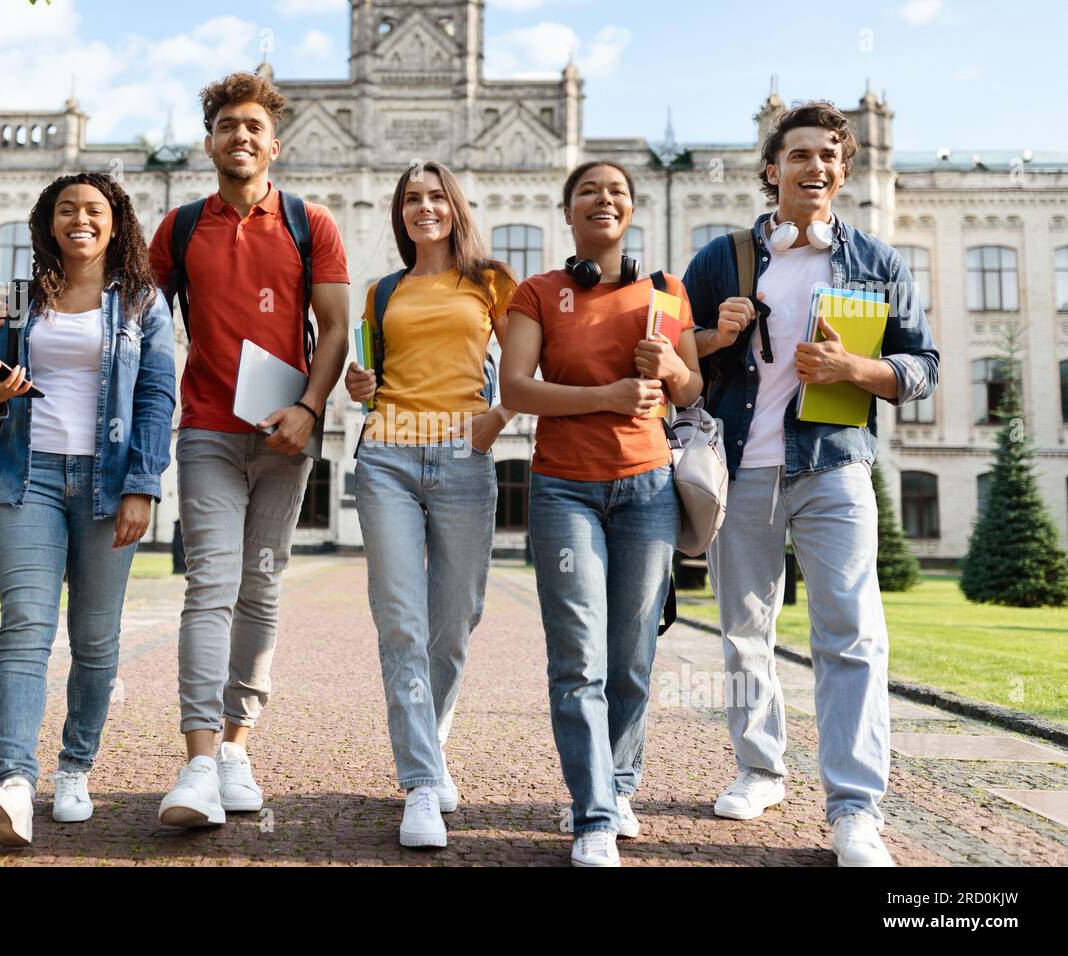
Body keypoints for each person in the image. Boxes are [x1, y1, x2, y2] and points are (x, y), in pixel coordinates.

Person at [681, 102, 939, 867]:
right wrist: (711, 336)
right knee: (743, 635)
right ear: (773, 170)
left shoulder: (877, 262)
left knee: (853, 637)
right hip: (742, 467)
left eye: (831, 156)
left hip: (835, 466)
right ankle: (760, 770)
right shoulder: (719, 259)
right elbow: (673, 369)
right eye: (800, 155)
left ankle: (856, 809)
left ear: (843, 172)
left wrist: (855, 370)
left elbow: (922, 366)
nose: (816, 168)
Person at [148, 73, 349, 827]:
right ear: (210, 141)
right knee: (211, 585)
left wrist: (308, 407)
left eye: (254, 127)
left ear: (274, 142)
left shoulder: (309, 223)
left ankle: (236, 746)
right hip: (206, 429)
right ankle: (198, 761)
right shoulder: (176, 227)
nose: (241, 136)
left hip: (286, 434)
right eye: (228, 125)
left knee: (262, 588)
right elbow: (135, 319)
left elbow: (334, 330)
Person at [499, 161, 701, 867]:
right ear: (568, 211)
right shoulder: (537, 292)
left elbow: (692, 386)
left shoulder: (667, 293)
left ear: (632, 210)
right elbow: (517, 389)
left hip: (648, 490)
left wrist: (671, 370)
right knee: (578, 658)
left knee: (634, 656)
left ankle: (618, 787)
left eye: (616, 191)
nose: (604, 199)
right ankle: (591, 815)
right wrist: (607, 397)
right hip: (564, 491)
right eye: (588, 190)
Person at [0, 172, 177, 847]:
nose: (79, 220)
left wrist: (143, 485)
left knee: (95, 640)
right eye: (66, 210)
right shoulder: (21, 300)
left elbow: (156, 397)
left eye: (93, 209)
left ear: (115, 221)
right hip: (26, 479)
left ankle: (77, 766)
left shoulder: (144, 302)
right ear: (49, 223)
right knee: (25, 624)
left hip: (109, 483)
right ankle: (15, 783)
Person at [343, 161, 517, 849]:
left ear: (456, 206)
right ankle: (419, 783)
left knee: (456, 619)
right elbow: (370, 377)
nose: (425, 208)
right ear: (400, 212)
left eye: (436, 197)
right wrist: (360, 385)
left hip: (463, 456)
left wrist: (498, 418)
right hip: (387, 453)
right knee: (401, 623)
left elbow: (530, 363)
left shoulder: (491, 283)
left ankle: (430, 741)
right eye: (412, 199)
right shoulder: (381, 291)